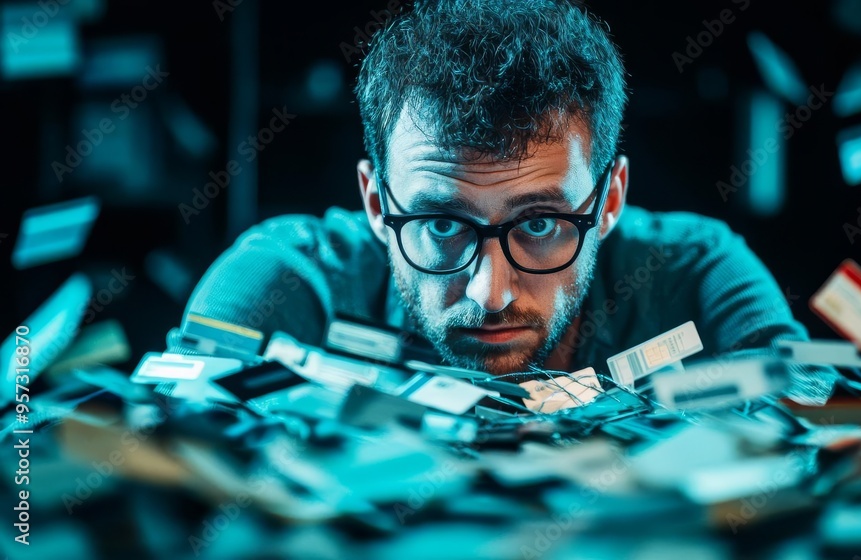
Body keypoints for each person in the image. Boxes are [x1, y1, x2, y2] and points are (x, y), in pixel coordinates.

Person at [172, 0, 814, 380]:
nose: (490, 293)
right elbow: (162, 446)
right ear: (376, 202)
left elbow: (829, 423)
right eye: (442, 225)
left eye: (539, 224)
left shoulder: (698, 273)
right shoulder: (284, 280)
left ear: (609, 201)